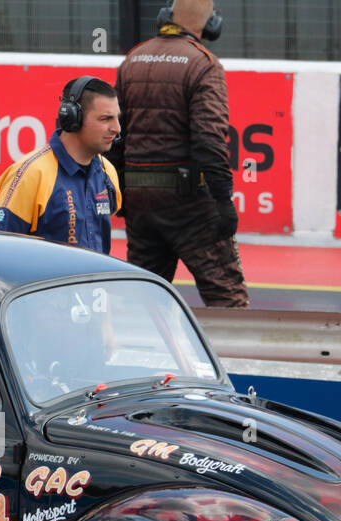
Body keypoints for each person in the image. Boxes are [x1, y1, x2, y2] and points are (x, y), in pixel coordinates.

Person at [113, 0, 248, 307]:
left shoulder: (133, 58)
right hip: (189, 202)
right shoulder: (204, 63)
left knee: (144, 296)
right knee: (226, 295)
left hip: (138, 199)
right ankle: (234, 356)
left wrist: (118, 188)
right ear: (210, 25)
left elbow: (115, 136)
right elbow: (209, 142)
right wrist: (224, 200)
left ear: (166, 17)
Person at [0, 76, 123, 254]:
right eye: (105, 119)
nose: (117, 128)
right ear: (73, 118)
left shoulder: (107, 172)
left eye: (117, 118)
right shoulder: (32, 173)